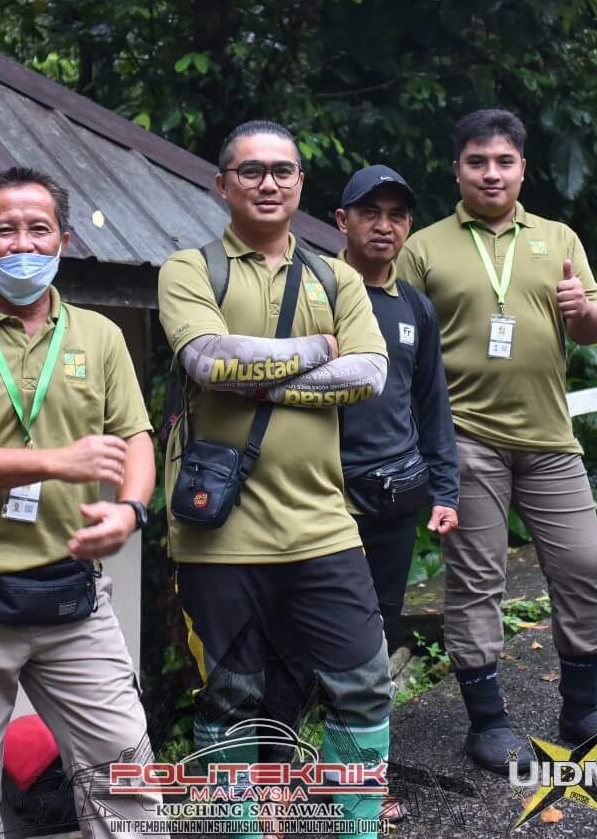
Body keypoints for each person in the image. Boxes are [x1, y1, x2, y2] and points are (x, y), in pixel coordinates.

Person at [0, 167, 165, 838]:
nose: (23, 243)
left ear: (64, 239)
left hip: (74, 594)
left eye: (38, 228)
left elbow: (136, 438)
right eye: (6, 230)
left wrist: (131, 510)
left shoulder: (99, 336)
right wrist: (55, 461)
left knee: (126, 771)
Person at [157, 120, 391, 833]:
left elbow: (371, 372)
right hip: (219, 533)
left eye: (283, 171)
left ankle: (357, 828)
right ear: (221, 182)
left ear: (299, 184)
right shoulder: (190, 270)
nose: (268, 182)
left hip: (323, 526)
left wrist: (259, 380)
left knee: (363, 687)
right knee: (230, 698)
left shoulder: (336, 275)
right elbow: (206, 361)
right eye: (251, 170)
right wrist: (317, 349)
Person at [396, 108, 597, 771]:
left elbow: (592, 328)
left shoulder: (556, 236)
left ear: (523, 168)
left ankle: (581, 710)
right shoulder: (425, 246)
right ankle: (488, 723)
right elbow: (404, 344)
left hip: (550, 437)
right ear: (457, 169)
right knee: (477, 581)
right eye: (477, 162)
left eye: (503, 161)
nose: (491, 173)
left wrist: (584, 311)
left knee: (584, 567)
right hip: (464, 439)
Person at [333, 165, 460, 825]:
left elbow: (430, 404)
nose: (384, 225)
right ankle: (282, 777)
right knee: (306, 642)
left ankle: (361, 785)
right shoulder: (318, 293)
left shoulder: (414, 306)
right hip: (321, 503)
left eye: (397, 214)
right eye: (370, 212)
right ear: (342, 220)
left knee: (374, 641)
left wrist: (446, 486)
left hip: (393, 502)